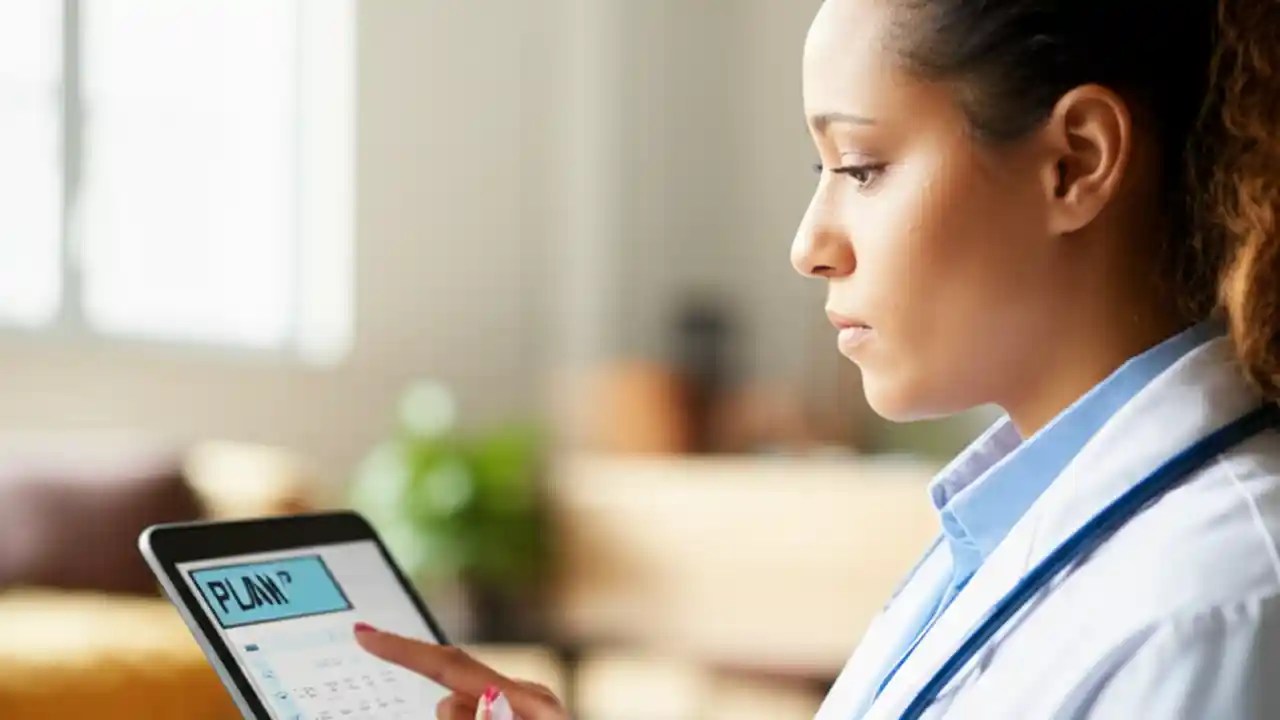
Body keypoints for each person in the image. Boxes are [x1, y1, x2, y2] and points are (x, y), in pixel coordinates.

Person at [351, 0, 1280, 716]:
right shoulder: (1015, 531)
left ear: (1074, 163)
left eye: (861, 166)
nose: (809, 244)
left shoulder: (1214, 604)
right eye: (819, 171)